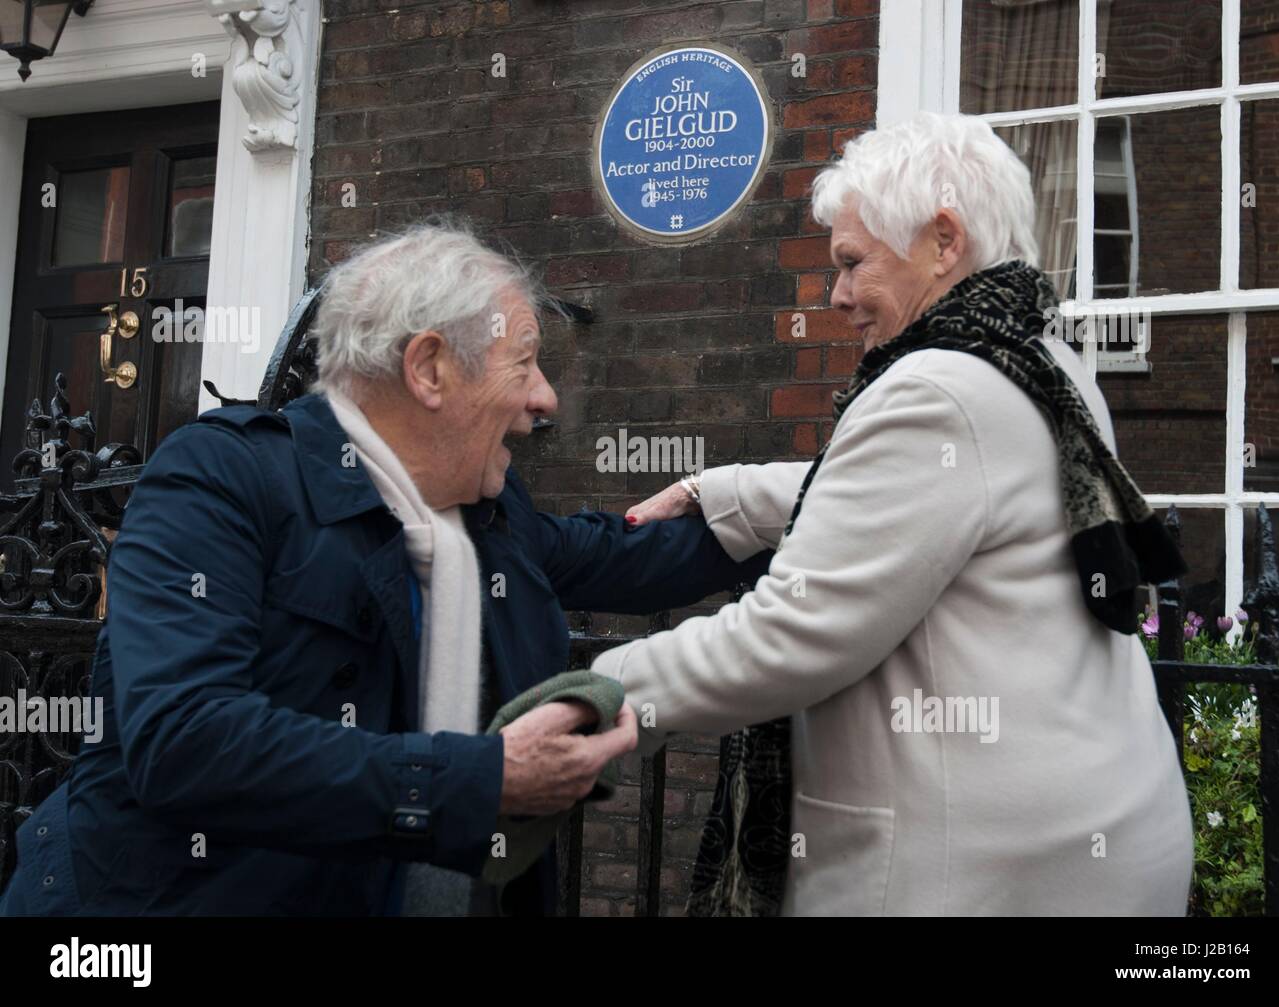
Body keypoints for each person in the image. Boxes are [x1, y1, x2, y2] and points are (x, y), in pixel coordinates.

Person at [0, 218, 768, 917]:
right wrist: (486, 780)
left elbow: (628, 554)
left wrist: (804, 506)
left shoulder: (490, 516)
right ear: (429, 368)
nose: (546, 400)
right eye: (527, 363)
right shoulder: (219, 478)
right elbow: (189, 740)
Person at [604, 112, 1195, 916]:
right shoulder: (1037, 356)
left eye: (852, 262)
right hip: (1100, 831)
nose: (838, 293)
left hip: (977, 873)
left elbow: (790, 633)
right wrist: (732, 492)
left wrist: (593, 690)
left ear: (943, 241)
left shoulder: (938, 389)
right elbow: (934, 492)